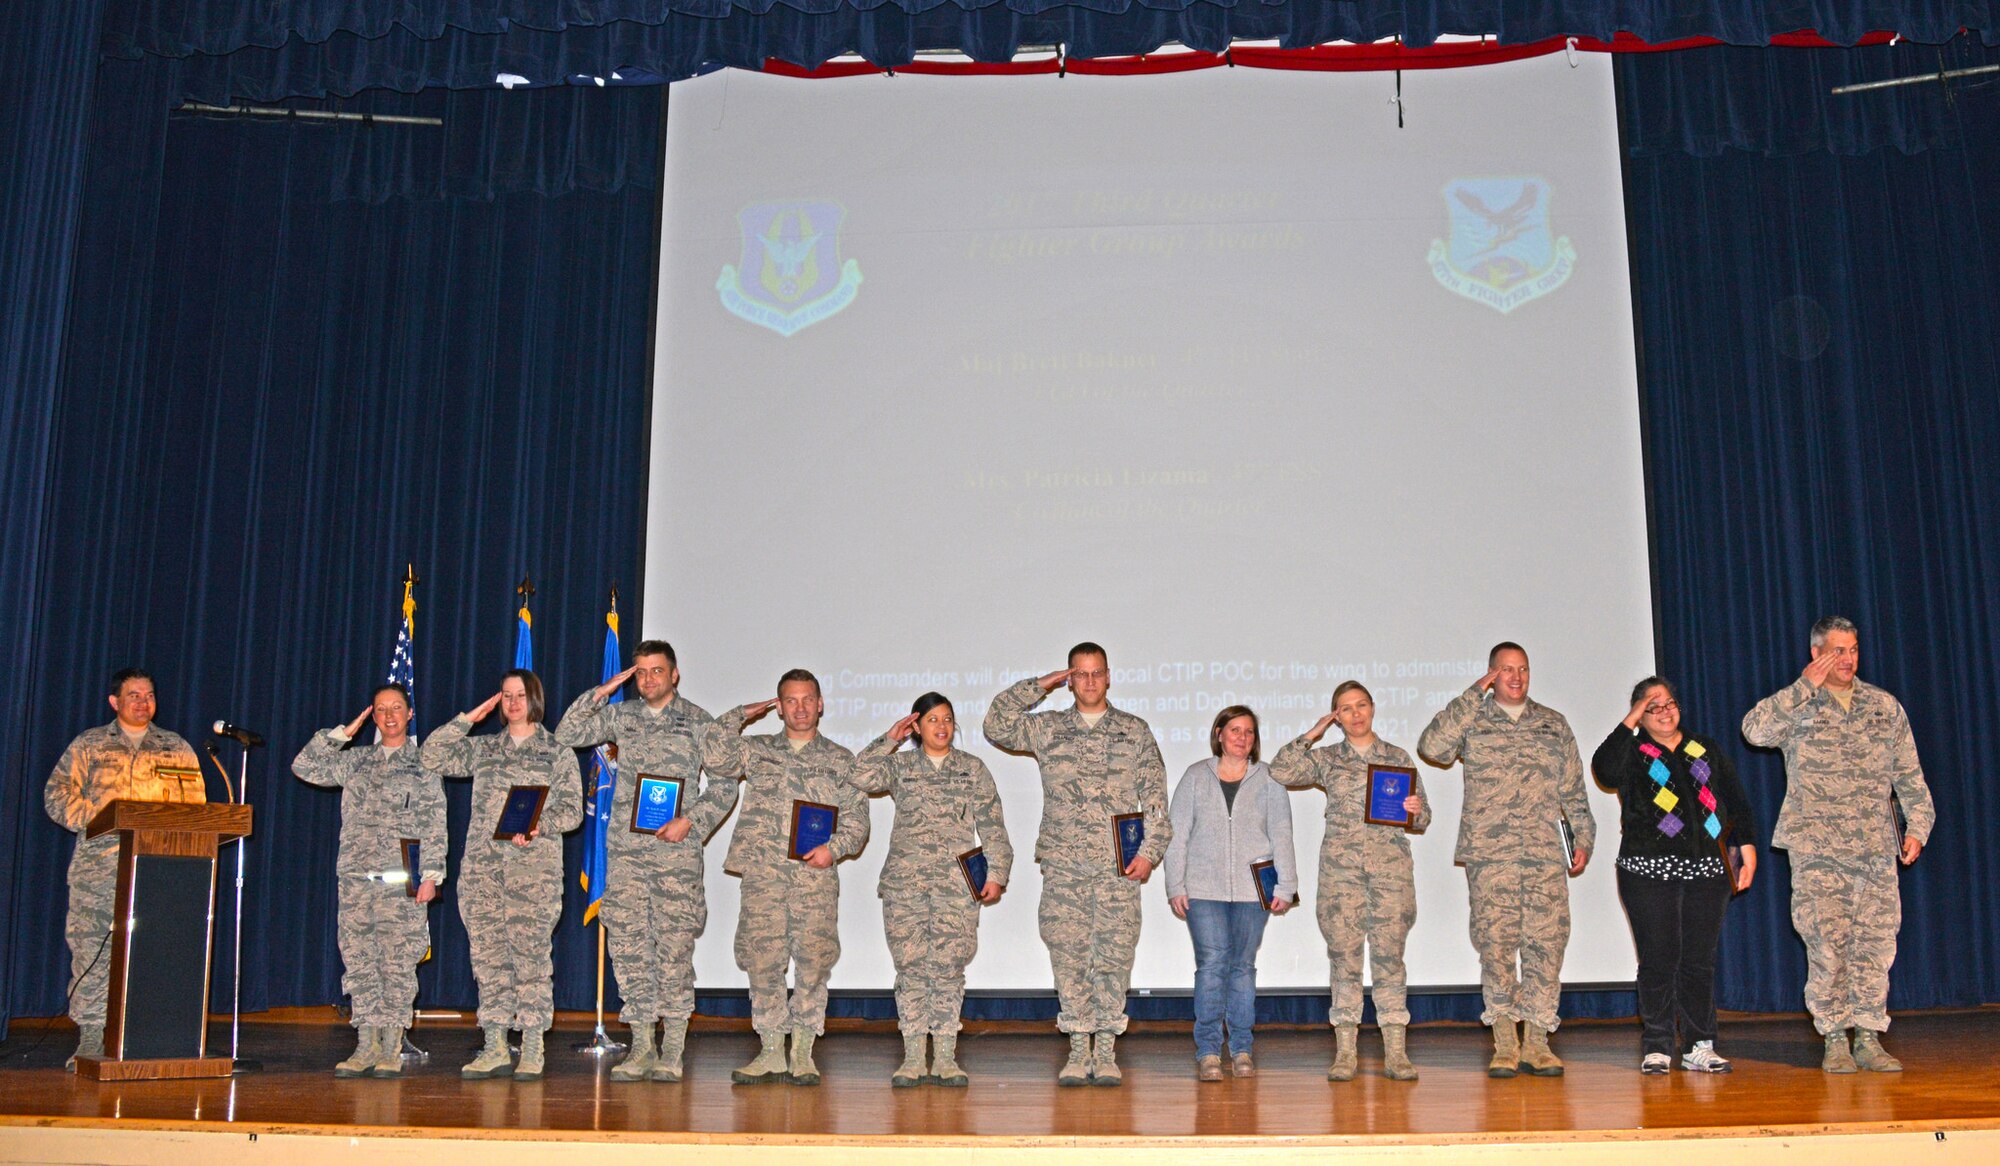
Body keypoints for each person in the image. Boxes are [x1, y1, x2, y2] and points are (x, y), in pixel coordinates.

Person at [1742, 616, 1933, 1073]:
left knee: (1874, 945)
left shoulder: (1883, 706)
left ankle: (1868, 1035)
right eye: (1837, 651)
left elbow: (1909, 776)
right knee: (1827, 945)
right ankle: (1834, 1038)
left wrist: (1917, 828)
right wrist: (1801, 687)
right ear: (1817, 654)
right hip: (1818, 851)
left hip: (1874, 848)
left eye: (1853, 650)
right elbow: (1754, 730)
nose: (1847, 659)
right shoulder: (1799, 705)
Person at [984, 641, 1170, 1086]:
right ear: (1070, 679)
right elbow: (997, 725)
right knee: (1068, 957)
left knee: (1113, 958)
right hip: (1065, 868)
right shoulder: (1049, 729)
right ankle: (1077, 1048)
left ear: (1108, 677)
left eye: (1096, 673)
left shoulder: (1134, 731)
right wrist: (1041, 685)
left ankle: (1105, 1050)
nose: (1088, 682)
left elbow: (1157, 802)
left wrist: (1149, 853)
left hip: (1116, 870)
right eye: (1079, 674)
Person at [555, 640, 735, 1083]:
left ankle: (672, 1047)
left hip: (675, 855)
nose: (649, 679)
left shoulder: (698, 722)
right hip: (629, 855)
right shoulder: (622, 716)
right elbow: (567, 734)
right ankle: (641, 1045)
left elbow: (726, 784)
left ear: (675, 675)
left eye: (657, 671)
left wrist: (692, 821)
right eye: (641, 672)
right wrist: (600, 692)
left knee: (673, 950)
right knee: (631, 949)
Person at [1418, 642, 1594, 1077]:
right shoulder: (1474, 718)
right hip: (1490, 854)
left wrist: (1583, 837)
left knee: (1546, 946)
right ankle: (1504, 1043)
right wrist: (1473, 693)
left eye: (1523, 669)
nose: (1516, 677)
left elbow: (1573, 790)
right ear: (1491, 674)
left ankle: (1537, 1040)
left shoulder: (1553, 724)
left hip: (1544, 855)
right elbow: (1432, 747)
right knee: (1496, 948)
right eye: (1506, 670)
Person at [702, 669, 869, 1086]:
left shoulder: (840, 760)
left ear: (821, 704)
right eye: (790, 700)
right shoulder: (755, 751)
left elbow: (857, 821)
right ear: (779, 706)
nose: (800, 707)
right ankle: (772, 1049)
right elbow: (712, 753)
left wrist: (834, 848)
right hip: (764, 876)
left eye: (807, 699)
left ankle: (804, 1051)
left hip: (814, 879)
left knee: (814, 963)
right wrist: (741, 714)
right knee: (762, 961)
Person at [421, 669, 583, 1081]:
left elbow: (573, 811)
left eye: (520, 695)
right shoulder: (484, 750)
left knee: (530, 961)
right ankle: (494, 1045)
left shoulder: (557, 752)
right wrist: (467, 720)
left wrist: (539, 825)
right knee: (489, 961)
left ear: (535, 699)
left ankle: (531, 1047)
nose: (512, 703)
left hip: (534, 875)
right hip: (483, 874)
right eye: (505, 696)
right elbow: (431, 756)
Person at [1592, 677, 1758, 1074]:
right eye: (1653, 705)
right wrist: (1631, 718)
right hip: (1648, 872)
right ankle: (1658, 1046)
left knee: (1699, 960)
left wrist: (1746, 847)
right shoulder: (1632, 751)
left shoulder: (1705, 748)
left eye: (1669, 702)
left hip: (1709, 870)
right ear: (1639, 714)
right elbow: (1604, 771)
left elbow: (1735, 800)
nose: (1664, 710)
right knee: (1659, 959)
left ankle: (1700, 1044)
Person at [44, 668, 204, 1071]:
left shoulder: (175, 746)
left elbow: (196, 805)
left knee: (156, 953)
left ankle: (150, 1036)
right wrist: (104, 819)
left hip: (158, 870)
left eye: (149, 695)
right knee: (93, 956)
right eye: (133, 695)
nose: (142, 703)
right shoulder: (91, 744)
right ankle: (92, 1037)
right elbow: (56, 793)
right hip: (99, 869)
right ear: (115, 702)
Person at [850, 692, 1014, 1086]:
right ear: (916, 726)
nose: (942, 727)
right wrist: (889, 739)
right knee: (910, 968)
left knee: (948, 969)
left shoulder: (972, 769)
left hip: (956, 888)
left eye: (948, 719)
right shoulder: (900, 766)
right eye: (933, 720)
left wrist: (997, 874)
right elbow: (858, 776)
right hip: (905, 885)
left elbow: (993, 825)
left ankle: (944, 1056)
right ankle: (911, 1056)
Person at [1271, 680, 1430, 1082]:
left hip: (1390, 875)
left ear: (1373, 708)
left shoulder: (1396, 757)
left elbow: (1423, 817)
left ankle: (1395, 1050)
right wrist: (1312, 733)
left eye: (1361, 705)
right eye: (1345, 708)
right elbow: (1281, 770)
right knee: (1344, 961)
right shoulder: (1327, 758)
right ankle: (1346, 1052)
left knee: (1390, 960)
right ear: (1337, 717)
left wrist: (1414, 810)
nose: (1356, 713)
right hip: (1342, 878)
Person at [293, 683, 448, 1077]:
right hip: (358, 881)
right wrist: (340, 735)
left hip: (401, 884)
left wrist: (432, 875)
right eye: (381, 709)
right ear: (373, 717)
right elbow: (304, 766)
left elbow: (435, 823)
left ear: (410, 714)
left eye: (397, 707)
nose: (389, 715)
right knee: (360, 963)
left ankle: (391, 1047)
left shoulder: (425, 764)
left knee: (396, 966)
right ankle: (365, 1044)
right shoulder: (356, 761)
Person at [1164, 706, 1296, 1082]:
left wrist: (1286, 885)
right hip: (1203, 890)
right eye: (1235, 730)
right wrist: (1175, 884)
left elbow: (1282, 833)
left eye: (1249, 732)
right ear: (1219, 733)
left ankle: (1241, 1048)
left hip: (1255, 891)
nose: (1242, 737)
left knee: (1242, 967)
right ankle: (1207, 1050)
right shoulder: (1195, 776)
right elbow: (1178, 834)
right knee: (1212, 965)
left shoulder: (1269, 778)